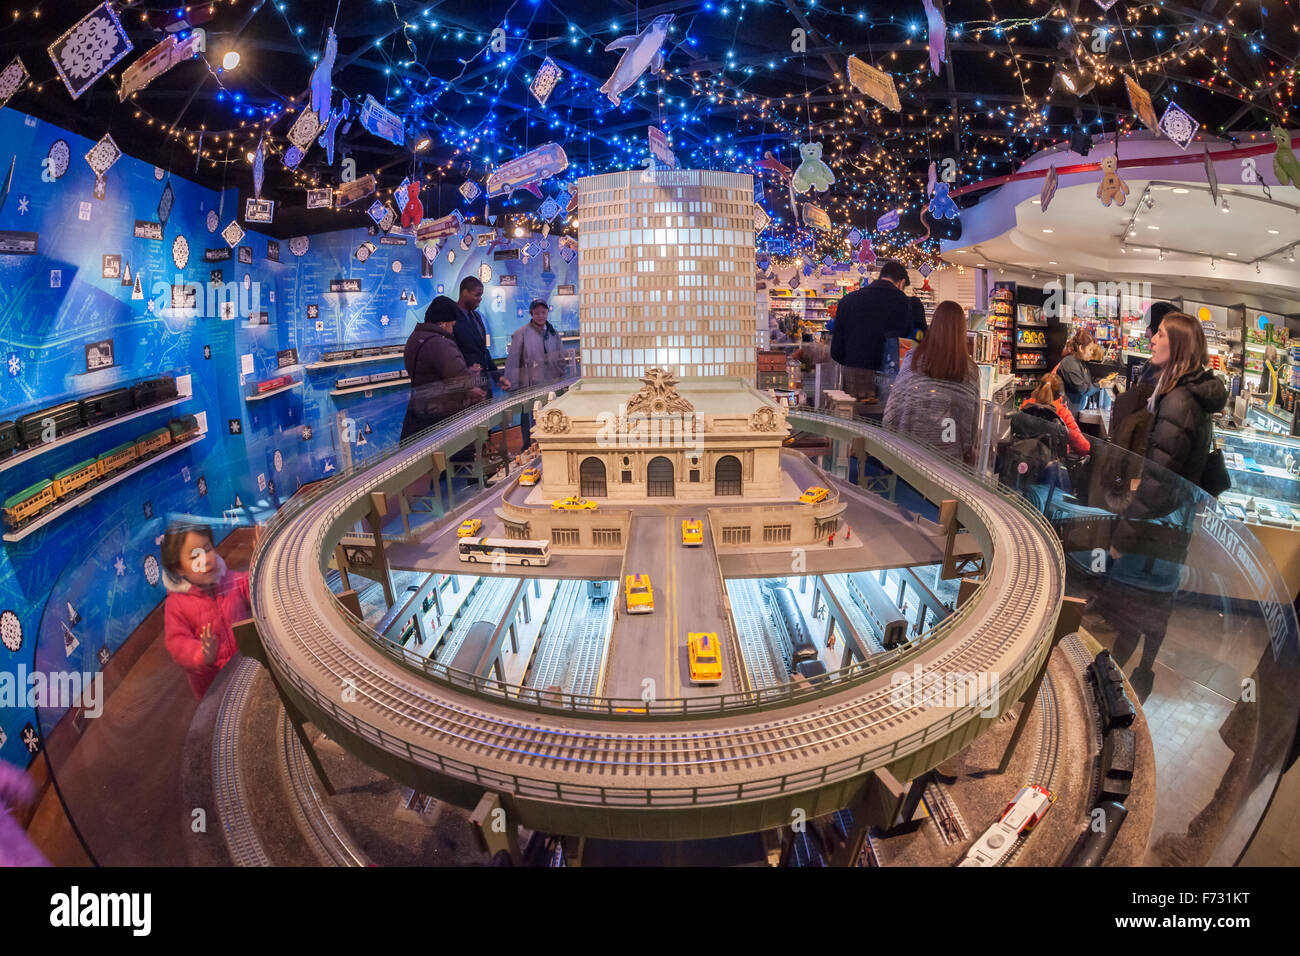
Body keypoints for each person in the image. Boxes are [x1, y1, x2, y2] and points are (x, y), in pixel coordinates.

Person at [882, 300, 980, 463]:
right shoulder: (970, 371)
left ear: (933, 325)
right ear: (962, 331)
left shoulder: (913, 357)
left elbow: (895, 406)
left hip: (907, 454)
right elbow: (970, 423)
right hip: (948, 462)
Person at [162, 523, 250, 699]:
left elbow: (250, 585)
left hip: (246, 668)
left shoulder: (227, 579)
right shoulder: (176, 604)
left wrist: (260, 561)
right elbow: (176, 642)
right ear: (178, 568)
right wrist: (200, 653)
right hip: (215, 687)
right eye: (195, 556)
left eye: (207, 548)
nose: (206, 559)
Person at [830, 260, 926, 403]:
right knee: (885, 421)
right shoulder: (907, 304)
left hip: (854, 378)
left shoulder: (847, 301)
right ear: (901, 283)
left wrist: (855, 362)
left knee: (851, 419)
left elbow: (836, 351)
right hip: (892, 381)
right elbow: (916, 344)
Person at [400, 296, 487, 442]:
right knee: (453, 461)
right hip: (443, 418)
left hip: (419, 414)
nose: (452, 330)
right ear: (443, 323)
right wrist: (475, 389)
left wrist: (467, 372)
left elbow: (436, 374)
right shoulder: (441, 344)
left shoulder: (414, 338)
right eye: (452, 325)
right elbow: (460, 382)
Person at [505, 299, 566, 447]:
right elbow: (512, 362)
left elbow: (561, 359)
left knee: (551, 421)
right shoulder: (521, 334)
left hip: (551, 387)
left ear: (547, 312)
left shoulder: (553, 334)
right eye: (536, 312)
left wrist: (562, 381)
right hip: (530, 390)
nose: (540, 315)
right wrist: (512, 387)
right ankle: (529, 449)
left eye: (543, 312)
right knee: (530, 423)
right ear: (531, 313)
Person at [451, 276, 511, 393]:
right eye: (477, 295)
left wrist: (497, 376)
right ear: (464, 292)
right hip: (465, 388)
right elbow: (452, 355)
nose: (480, 299)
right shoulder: (451, 318)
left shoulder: (476, 317)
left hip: (483, 384)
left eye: (481, 295)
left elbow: (483, 351)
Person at [1021, 372, 1090, 455]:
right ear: (1061, 394)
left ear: (1039, 388)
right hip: (1053, 463)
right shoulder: (1063, 412)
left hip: (1025, 459)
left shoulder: (1025, 405)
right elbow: (1083, 447)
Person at [1054, 330, 1096, 414]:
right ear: (1081, 348)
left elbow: (1087, 384)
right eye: (1090, 349)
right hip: (1064, 413)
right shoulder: (1070, 362)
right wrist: (1099, 385)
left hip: (1070, 411)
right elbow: (1082, 389)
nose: (1092, 352)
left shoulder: (1080, 362)